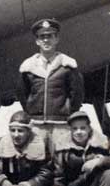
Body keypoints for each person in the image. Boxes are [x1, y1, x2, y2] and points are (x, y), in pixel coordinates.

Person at [19, 18, 84, 148]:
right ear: (37, 41)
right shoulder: (28, 67)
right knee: (37, 158)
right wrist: (32, 112)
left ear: (56, 39)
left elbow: (76, 94)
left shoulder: (67, 66)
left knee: (60, 160)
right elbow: (22, 94)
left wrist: (67, 113)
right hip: (36, 124)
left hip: (60, 124)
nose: (46, 40)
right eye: (42, 37)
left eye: (50, 36)